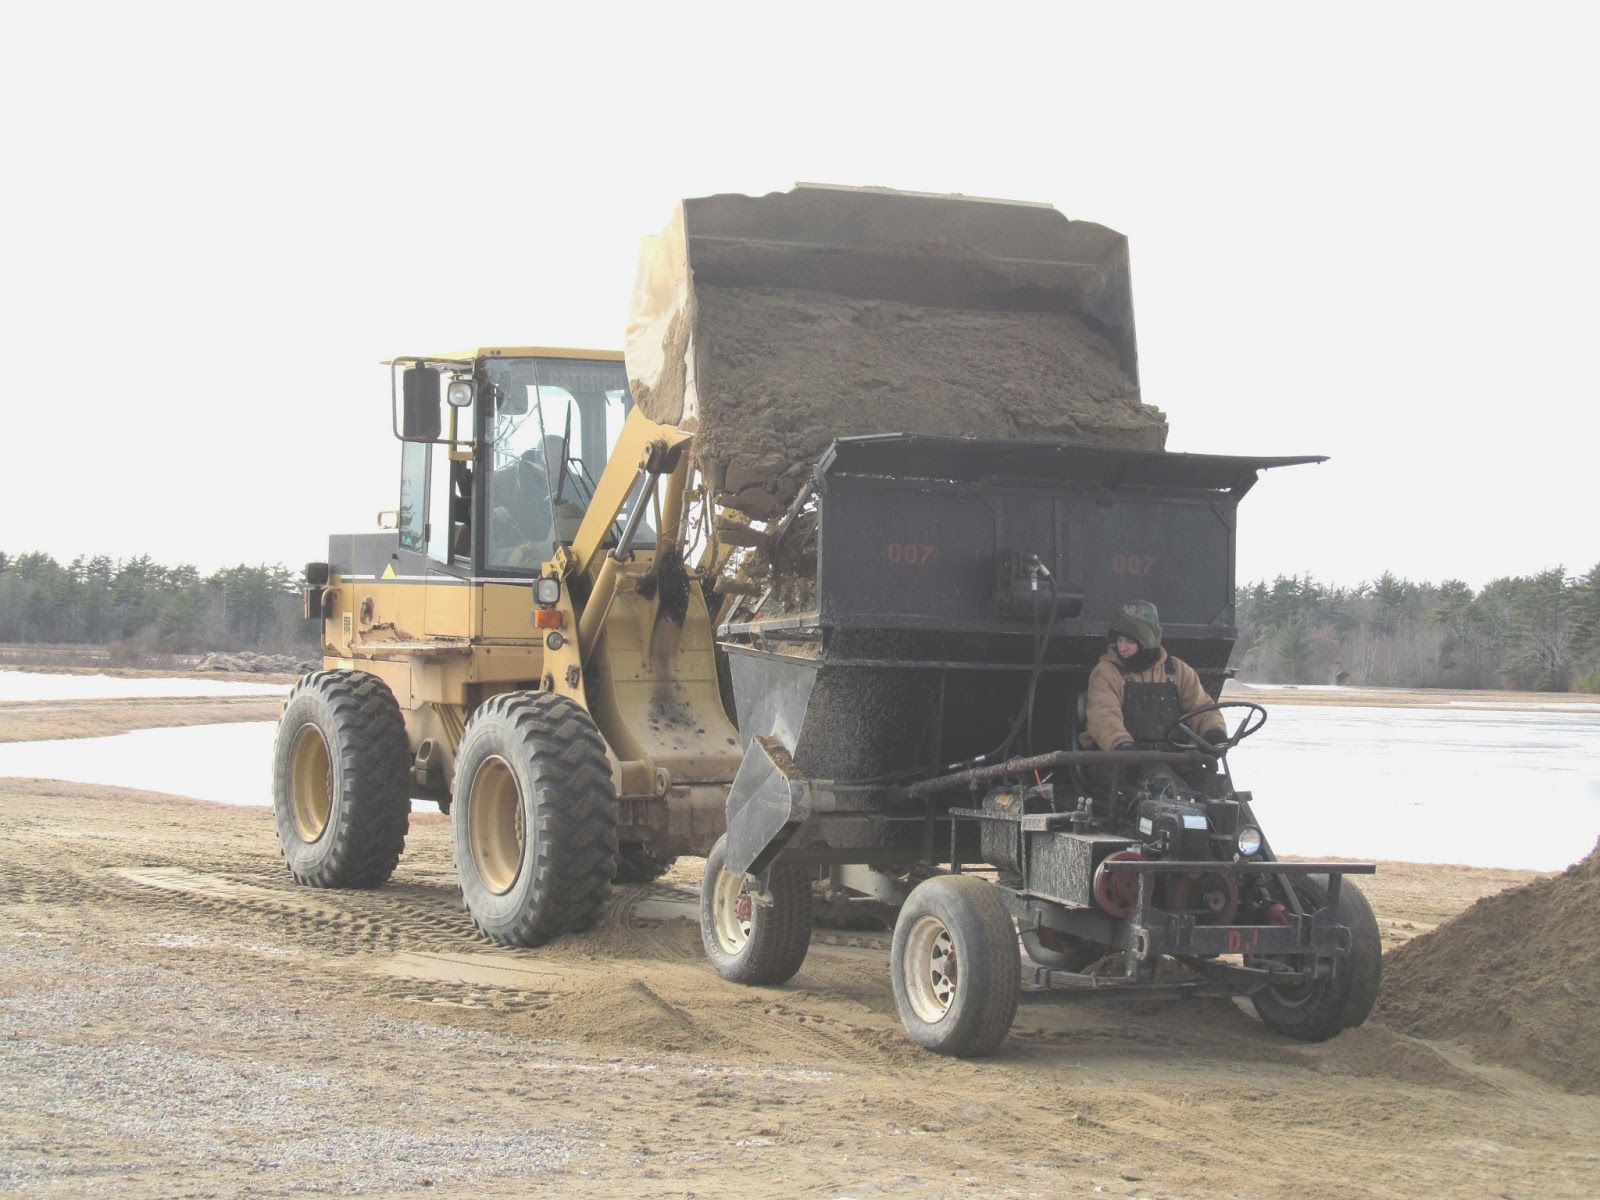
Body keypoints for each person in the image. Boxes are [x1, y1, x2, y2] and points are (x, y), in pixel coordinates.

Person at [1085, 600, 1228, 752]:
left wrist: (1214, 732)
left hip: (1174, 757)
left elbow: (1202, 707)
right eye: (1119, 640)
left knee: (1208, 776)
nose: (1122, 647)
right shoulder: (1107, 672)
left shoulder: (1178, 670)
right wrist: (1121, 744)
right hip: (1120, 759)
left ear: (1147, 640)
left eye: (1130, 641)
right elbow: (1103, 715)